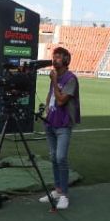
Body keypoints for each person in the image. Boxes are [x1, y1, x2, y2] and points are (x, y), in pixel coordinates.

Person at [39, 47, 81, 210]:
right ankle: (57, 190)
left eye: (58, 57)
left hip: (63, 124)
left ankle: (64, 195)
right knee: (53, 157)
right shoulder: (54, 77)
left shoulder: (71, 79)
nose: (54, 59)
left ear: (66, 60)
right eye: (53, 56)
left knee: (61, 158)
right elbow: (51, 95)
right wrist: (46, 110)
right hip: (51, 122)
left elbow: (62, 100)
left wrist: (55, 81)